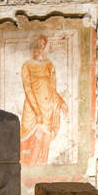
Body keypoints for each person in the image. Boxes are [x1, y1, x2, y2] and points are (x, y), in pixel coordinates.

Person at [20, 35, 67, 166]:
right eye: (37, 44)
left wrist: (61, 102)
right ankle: (27, 169)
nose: (39, 48)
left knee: (44, 139)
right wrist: (37, 112)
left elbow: (53, 89)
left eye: (42, 45)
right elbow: (28, 89)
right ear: (33, 45)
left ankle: (41, 170)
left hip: (47, 107)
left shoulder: (49, 65)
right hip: (32, 107)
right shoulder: (27, 66)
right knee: (29, 140)